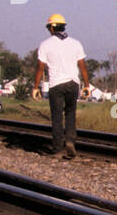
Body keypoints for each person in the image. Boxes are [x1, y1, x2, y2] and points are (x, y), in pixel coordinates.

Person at [32, 13, 90, 159]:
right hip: (73, 83)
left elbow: (40, 68)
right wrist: (87, 86)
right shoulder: (76, 43)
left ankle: (58, 149)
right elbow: (83, 67)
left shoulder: (45, 45)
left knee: (57, 117)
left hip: (56, 85)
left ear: (52, 27)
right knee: (70, 114)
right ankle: (70, 141)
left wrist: (35, 87)